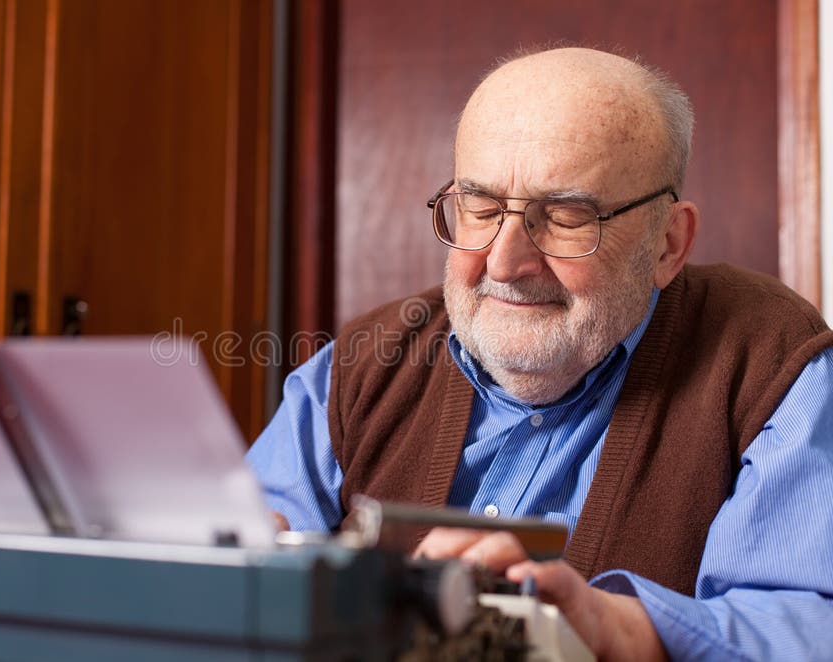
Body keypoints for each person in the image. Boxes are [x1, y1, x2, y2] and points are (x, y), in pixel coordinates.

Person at [246, 47, 833, 660]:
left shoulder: (770, 360)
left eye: (566, 216)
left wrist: (614, 629)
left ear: (668, 243)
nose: (504, 263)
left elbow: (807, 625)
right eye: (480, 208)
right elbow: (237, 561)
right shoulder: (364, 367)